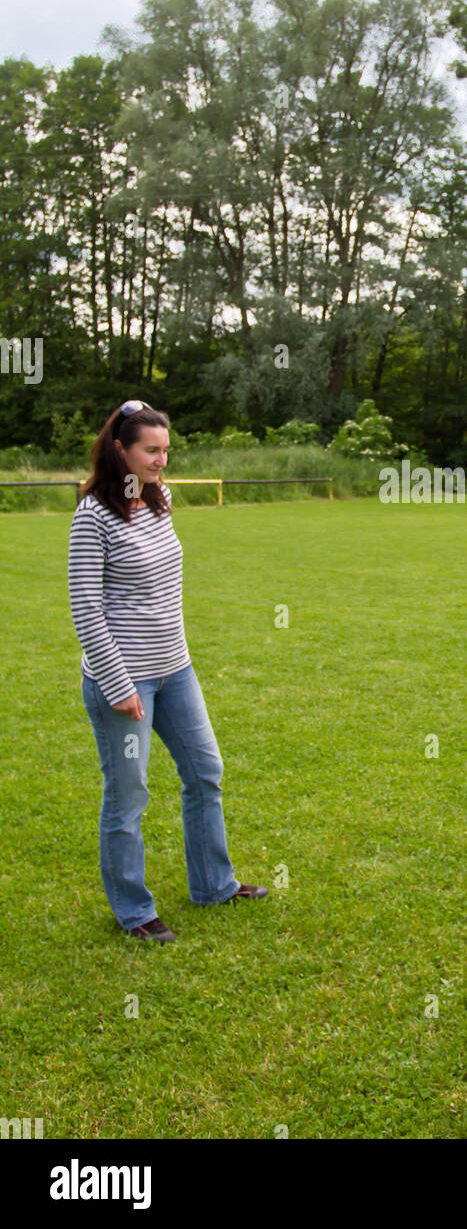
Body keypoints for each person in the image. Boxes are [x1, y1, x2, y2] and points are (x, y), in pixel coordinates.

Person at [68, 399, 268, 943]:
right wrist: (117, 684)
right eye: (150, 451)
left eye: (166, 451)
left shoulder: (161, 499)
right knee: (129, 795)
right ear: (120, 450)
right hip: (124, 681)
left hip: (175, 670)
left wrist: (170, 658)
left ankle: (214, 884)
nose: (161, 461)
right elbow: (86, 606)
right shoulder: (92, 514)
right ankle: (134, 911)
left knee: (205, 771)